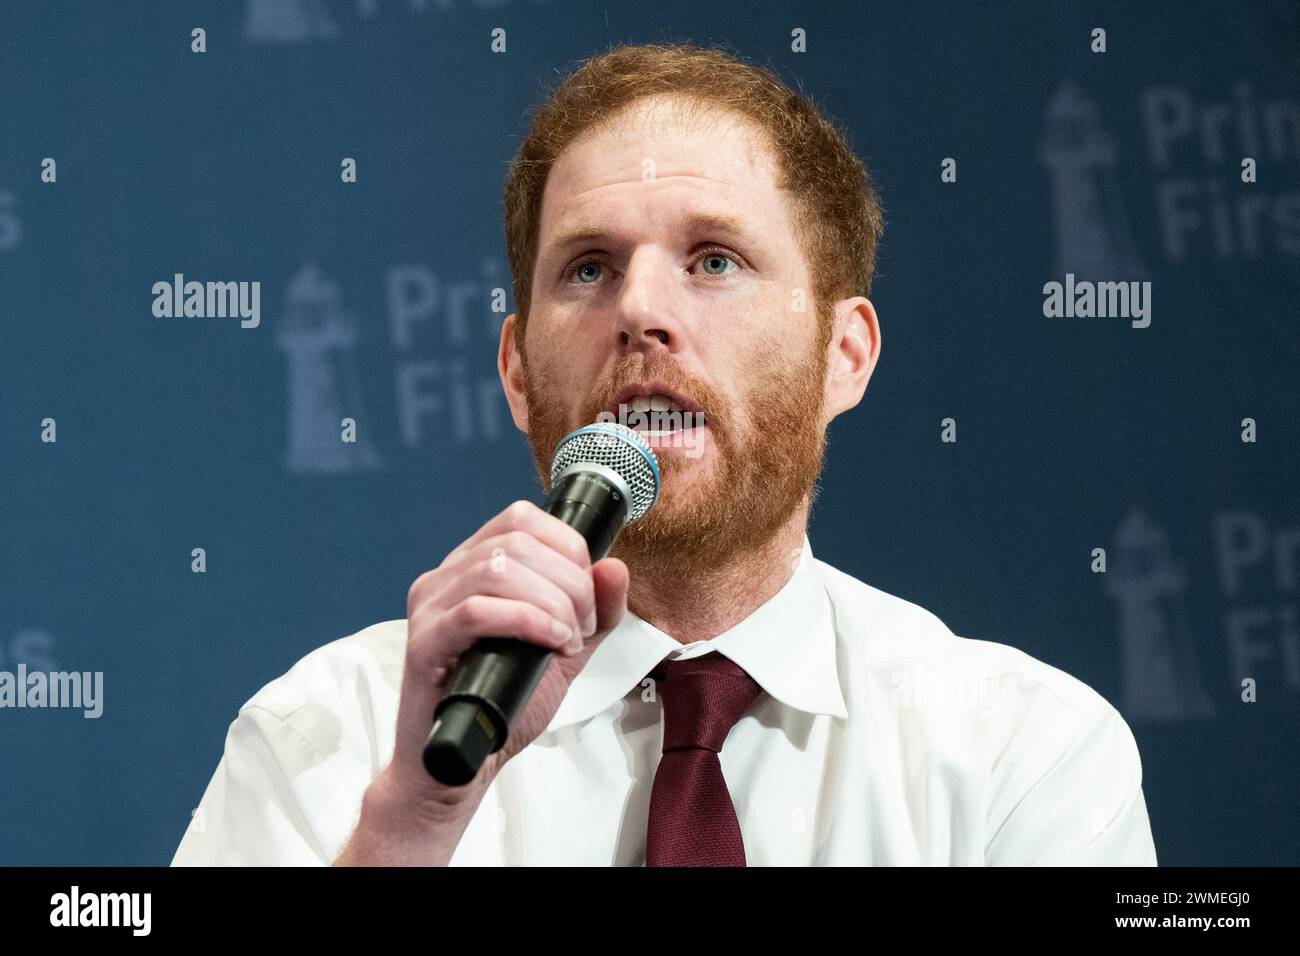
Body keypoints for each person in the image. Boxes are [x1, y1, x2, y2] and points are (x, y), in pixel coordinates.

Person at [172, 42, 1157, 867]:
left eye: (714, 260)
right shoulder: (325, 738)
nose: (639, 311)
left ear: (843, 354)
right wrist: (414, 820)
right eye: (589, 267)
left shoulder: (1022, 750)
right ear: (516, 371)